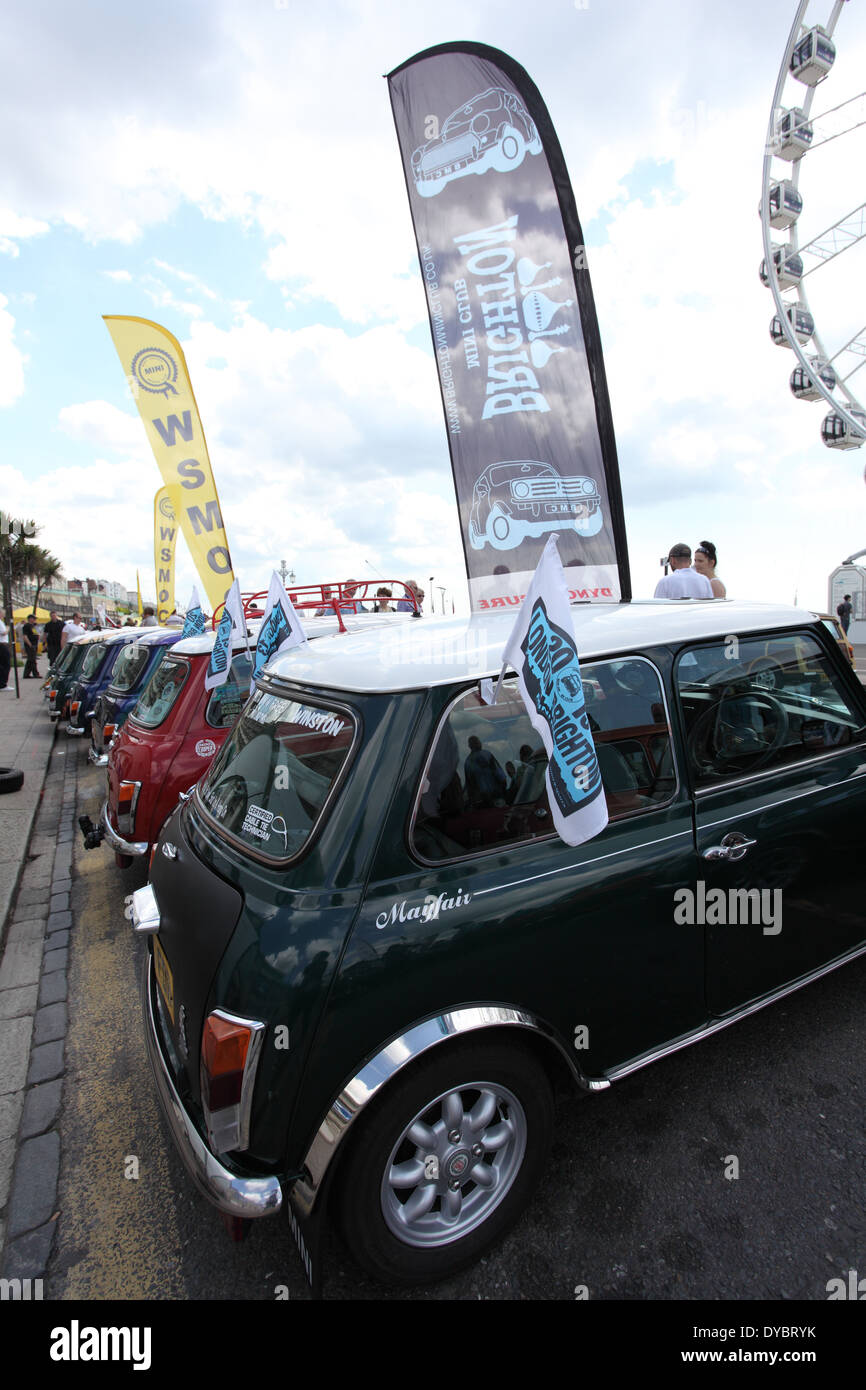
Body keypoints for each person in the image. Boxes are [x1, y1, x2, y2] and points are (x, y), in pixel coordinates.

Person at [464, 735, 507, 808]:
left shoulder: (468, 762)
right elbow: (500, 775)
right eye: (477, 741)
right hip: (496, 797)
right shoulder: (487, 755)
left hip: (481, 802)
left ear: (469, 746)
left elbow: (469, 785)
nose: (479, 743)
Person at [22, 613, 41, 678]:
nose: (35, 620)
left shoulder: (32, 626)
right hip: (30, 645)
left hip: (34, 644)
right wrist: (30, 644)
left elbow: (35, 633)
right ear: (30, 619)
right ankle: (36, 674)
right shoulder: (27, 626)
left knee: (30, 660)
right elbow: (25, 636)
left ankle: (26, 674)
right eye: (34, 619)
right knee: (32, 660)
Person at [0, 614, 10, 691]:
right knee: (5, 664)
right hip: (2, 644)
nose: (3, 615)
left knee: (3, 665)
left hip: (3, 644)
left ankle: (2, 683)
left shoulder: (1, 622)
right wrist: (7, 628)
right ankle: (3, 684)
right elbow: (3, 632)